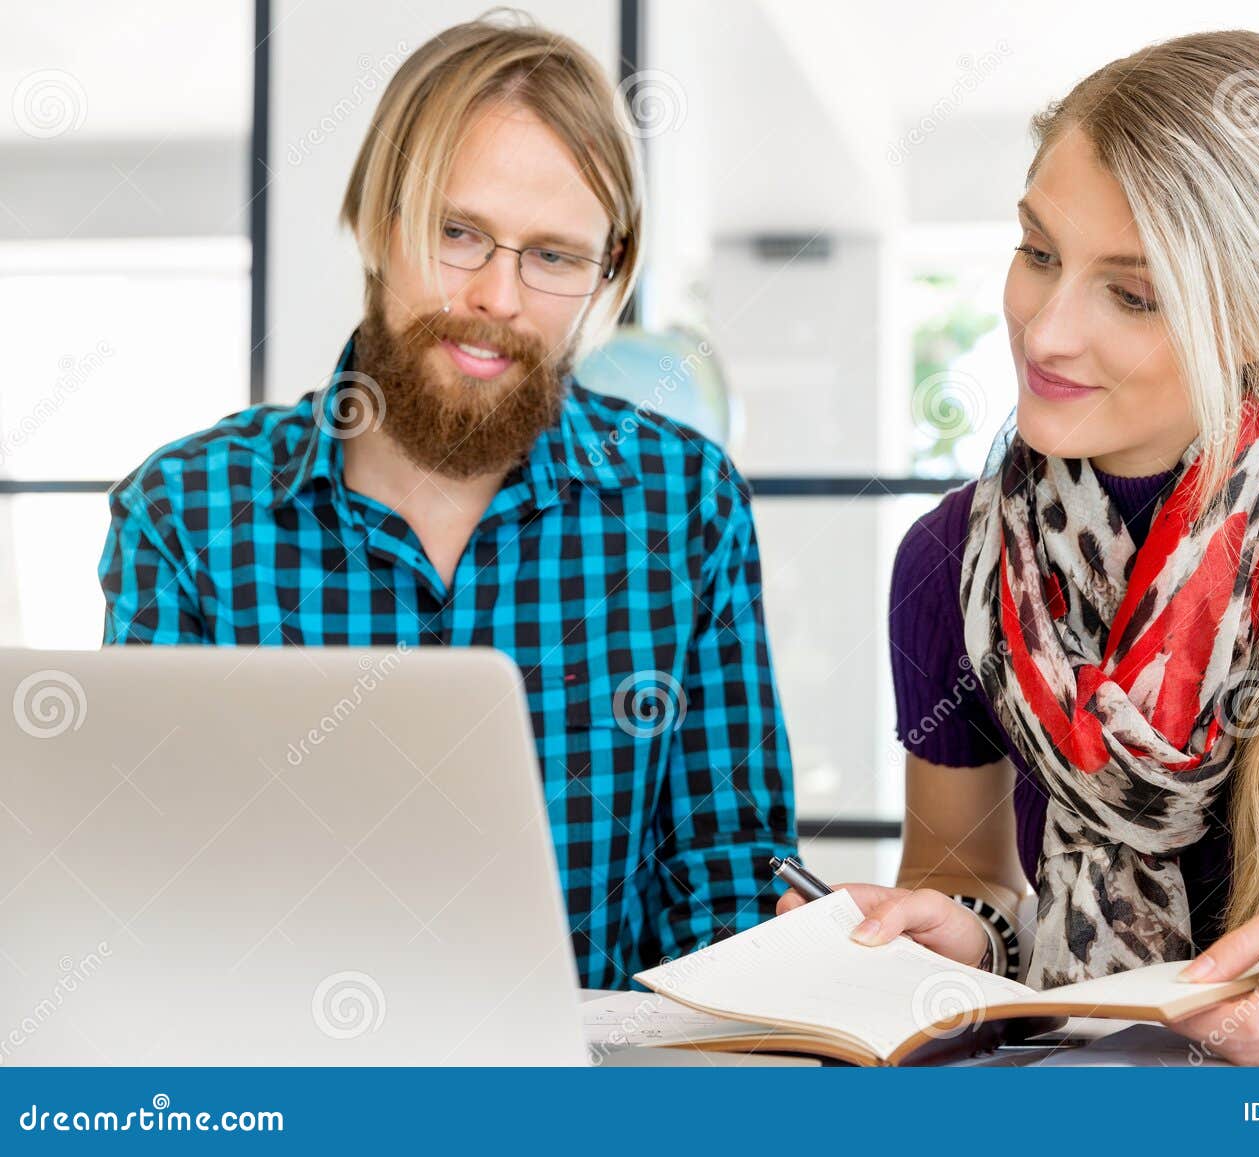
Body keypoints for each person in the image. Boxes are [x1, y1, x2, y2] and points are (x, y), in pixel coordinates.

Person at [779, 29, 1259, 1064]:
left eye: (1132, 294)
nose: (1043, 332)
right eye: (1038, 252)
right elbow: (973, 884)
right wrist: (960, 935)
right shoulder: (951, 558)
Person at [98, 14, 796, 990]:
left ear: (608, 272)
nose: (496, 297)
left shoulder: (684, 505)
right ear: (380, 221)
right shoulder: (189, 514)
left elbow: (728, 878)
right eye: (457, 232)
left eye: (552, 256)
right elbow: (149, 885)